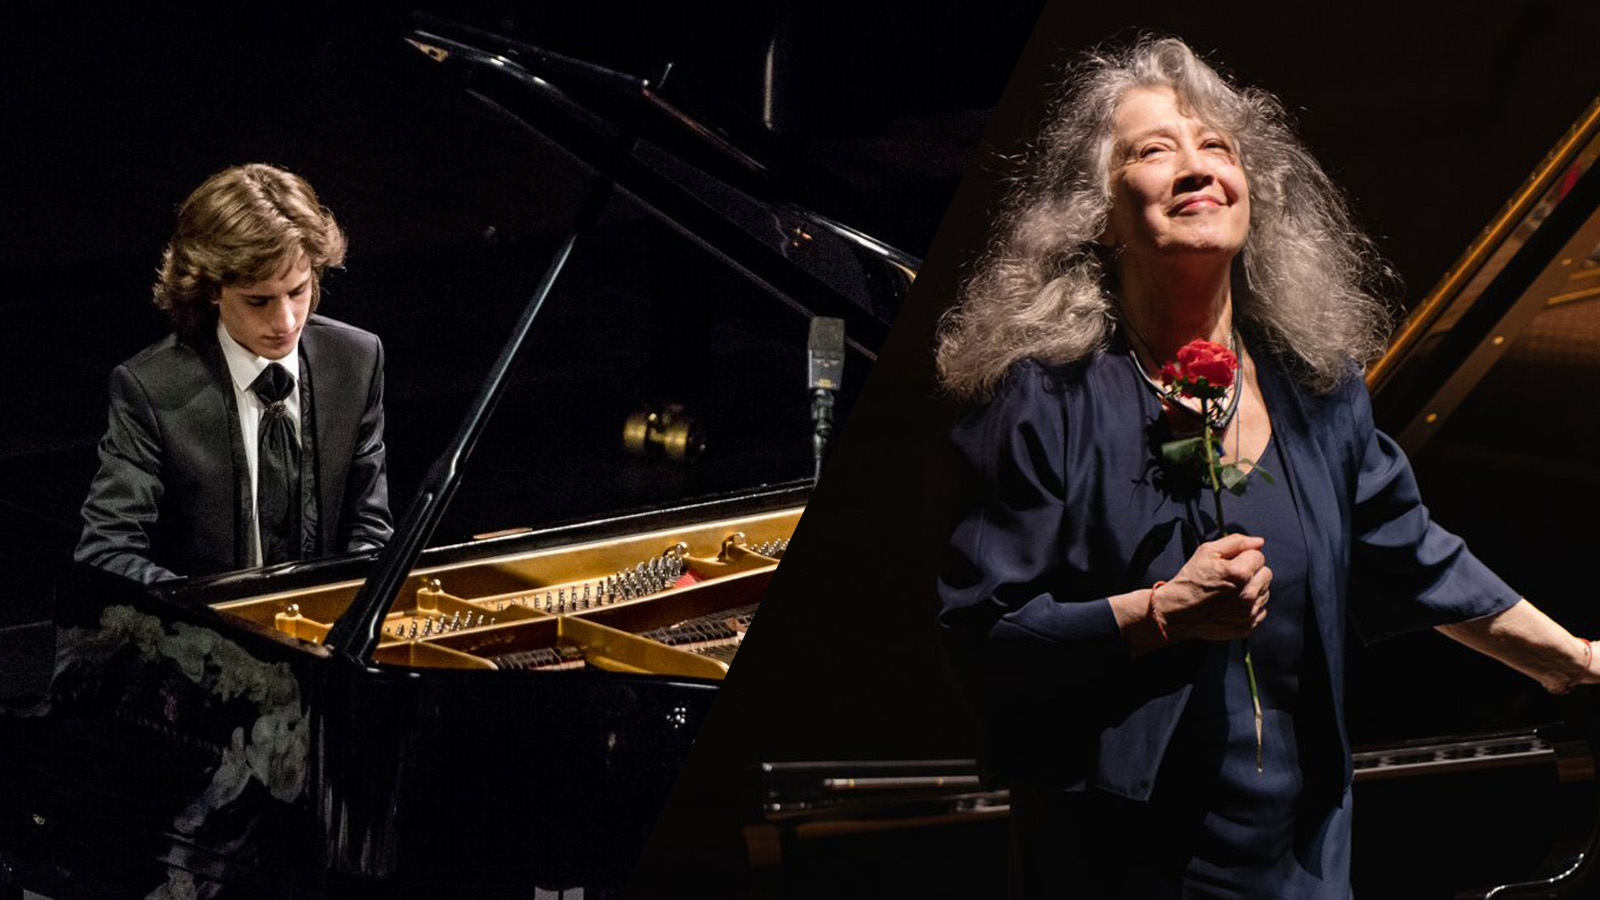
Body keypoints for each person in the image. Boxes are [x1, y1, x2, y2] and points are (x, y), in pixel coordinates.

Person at [934, 36, 1596, 898]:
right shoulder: (1041, 398)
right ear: (1095, 213)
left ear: (1254, 189)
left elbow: (1419, 558)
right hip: (1122, 862)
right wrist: (1158, 614)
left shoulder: (1314, 386)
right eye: (1153, 150)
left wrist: (1576, 661)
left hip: (1302, 854)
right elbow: (983, 636)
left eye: (1216, 146)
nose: (1196, 167)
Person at [76, 163, 392, 586]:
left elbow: (370, 532)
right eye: (258, 301)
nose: (286, 321)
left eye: (298, 291)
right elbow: (106, 551)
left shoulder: (354, 361)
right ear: (211, 289)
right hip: (202, 625)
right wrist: (213, 613)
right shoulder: (151, 387)